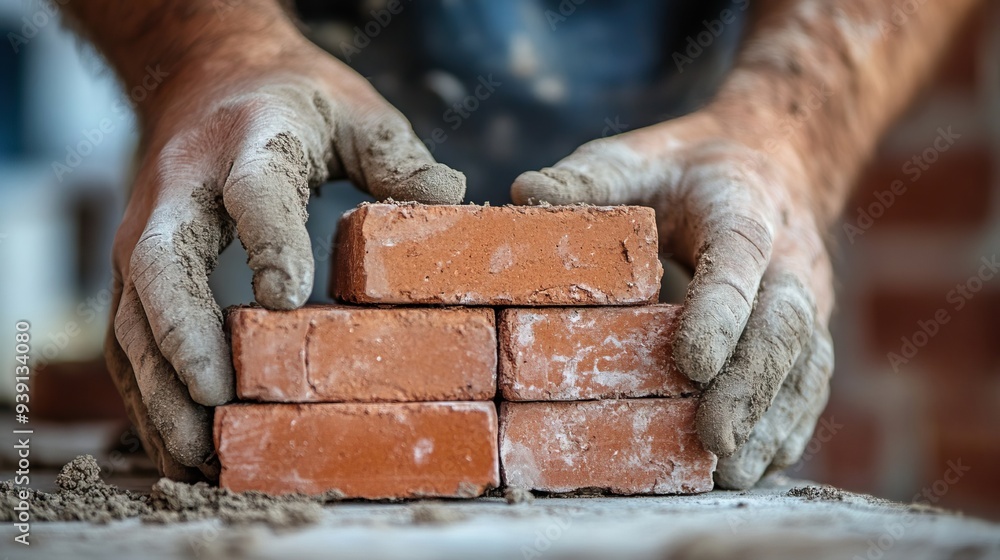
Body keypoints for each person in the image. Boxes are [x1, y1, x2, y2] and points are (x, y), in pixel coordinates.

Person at [61, 0, 980, 487]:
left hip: (683, 205)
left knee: (702, 418)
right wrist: (208, 53)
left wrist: (789, 128)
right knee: (236, 425)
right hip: (270, 165)